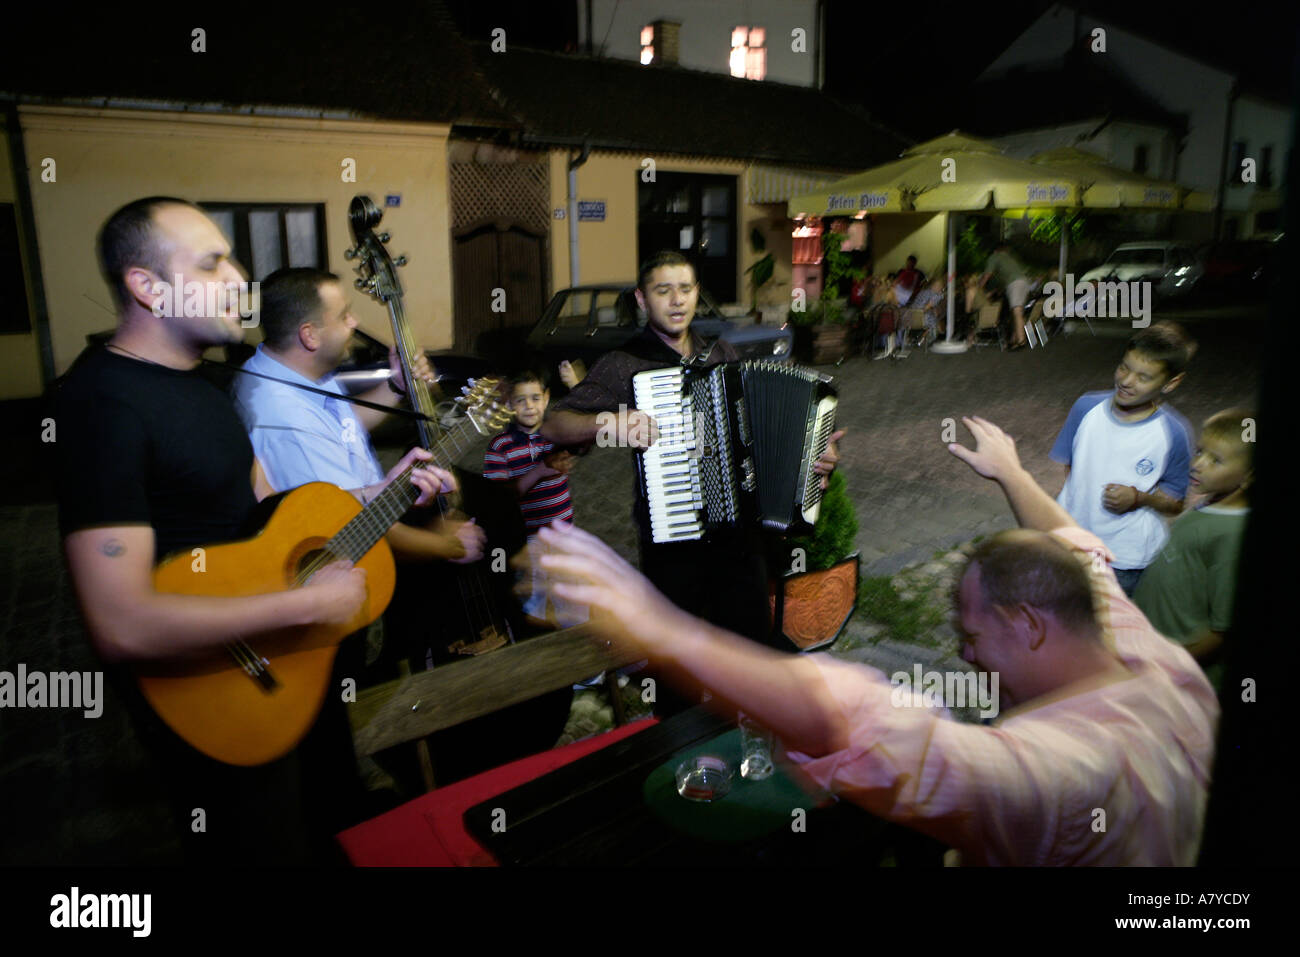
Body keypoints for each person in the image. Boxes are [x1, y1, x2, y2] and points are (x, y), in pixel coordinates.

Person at [537, 414, 1218, 865]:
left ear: (1031, 624)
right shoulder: (1160, 661)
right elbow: (1081, 552)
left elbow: (868, 723)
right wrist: (1011, 472)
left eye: (973, 635)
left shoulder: (1063, 776)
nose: (968, 653)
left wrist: (661, 629)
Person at [54, 198, 453, 864]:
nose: (240, 277)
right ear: (148, 287)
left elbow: (271, 511)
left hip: (289, 658)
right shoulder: (101, 404)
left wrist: (376, 493)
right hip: (221, 697)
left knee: (328, 821)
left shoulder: (208, 383)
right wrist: (309, 603)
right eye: (212, 262)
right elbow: (121, 622)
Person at [540, 250, 844, 713]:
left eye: (685, 289)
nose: (676, 300)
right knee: (676, 666)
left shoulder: (721, 353)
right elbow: (554, 424)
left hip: (738, 540)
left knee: (748, 656)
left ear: (697, 294)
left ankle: (743, 741)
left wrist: (814, 458)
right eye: (663, 290)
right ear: (643, 299)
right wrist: (611, 422)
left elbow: (761, 433)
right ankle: (678, 757)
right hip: (673, 543)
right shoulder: (625, 364)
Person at [231, 267, 485, 567]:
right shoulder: (283, 420)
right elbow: (351, 525)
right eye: (344, 315)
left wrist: (395, 384)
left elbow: (340, 425)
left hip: (374, 505)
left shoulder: (290, 368)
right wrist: (447, 545)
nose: (355, 322)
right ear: (309, 335)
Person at [1049, 322, 1195, 597]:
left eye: (1144, 377)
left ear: (1171, 383)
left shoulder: (1174, 433)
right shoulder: (1086, 407)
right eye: (1124, 367)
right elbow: (1072, 468)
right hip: (1070, 542)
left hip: (1124, 558)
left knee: (1111, 632)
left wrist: (1139, 498)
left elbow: (1175, 503)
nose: (1126, 381)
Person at [1134, 407, 1255, 692]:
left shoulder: (1233, 537)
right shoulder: (1210, 504)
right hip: (1152, 646)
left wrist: (1172, 664)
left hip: (1175, 673)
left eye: (1216, 460)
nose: (1197, 464)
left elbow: (1223, 629)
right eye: (1200, 451)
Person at [484, 369, 583, 629]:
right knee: (532, 606)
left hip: (564, 535)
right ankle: (537, 655)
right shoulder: (500, 446)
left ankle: (585, 663)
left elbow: (586, 428)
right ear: (509, 404)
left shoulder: (557, 435)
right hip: (528, 542)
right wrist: (540, 470)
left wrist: (575, 386)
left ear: (547, 398)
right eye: (520, 400)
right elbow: (501, 498)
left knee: (574, 602)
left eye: (536, 398)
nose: (529, 406)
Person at [980, 242, 1032, 349]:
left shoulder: (994, 256)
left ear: (995, 250)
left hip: (1015, 284)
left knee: (1016, 312)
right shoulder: (1010, 258)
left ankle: (1021, 341)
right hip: (1025, 282)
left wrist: (979, 288)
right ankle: (1014, 339)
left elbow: (987, 275)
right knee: (1017, 312)